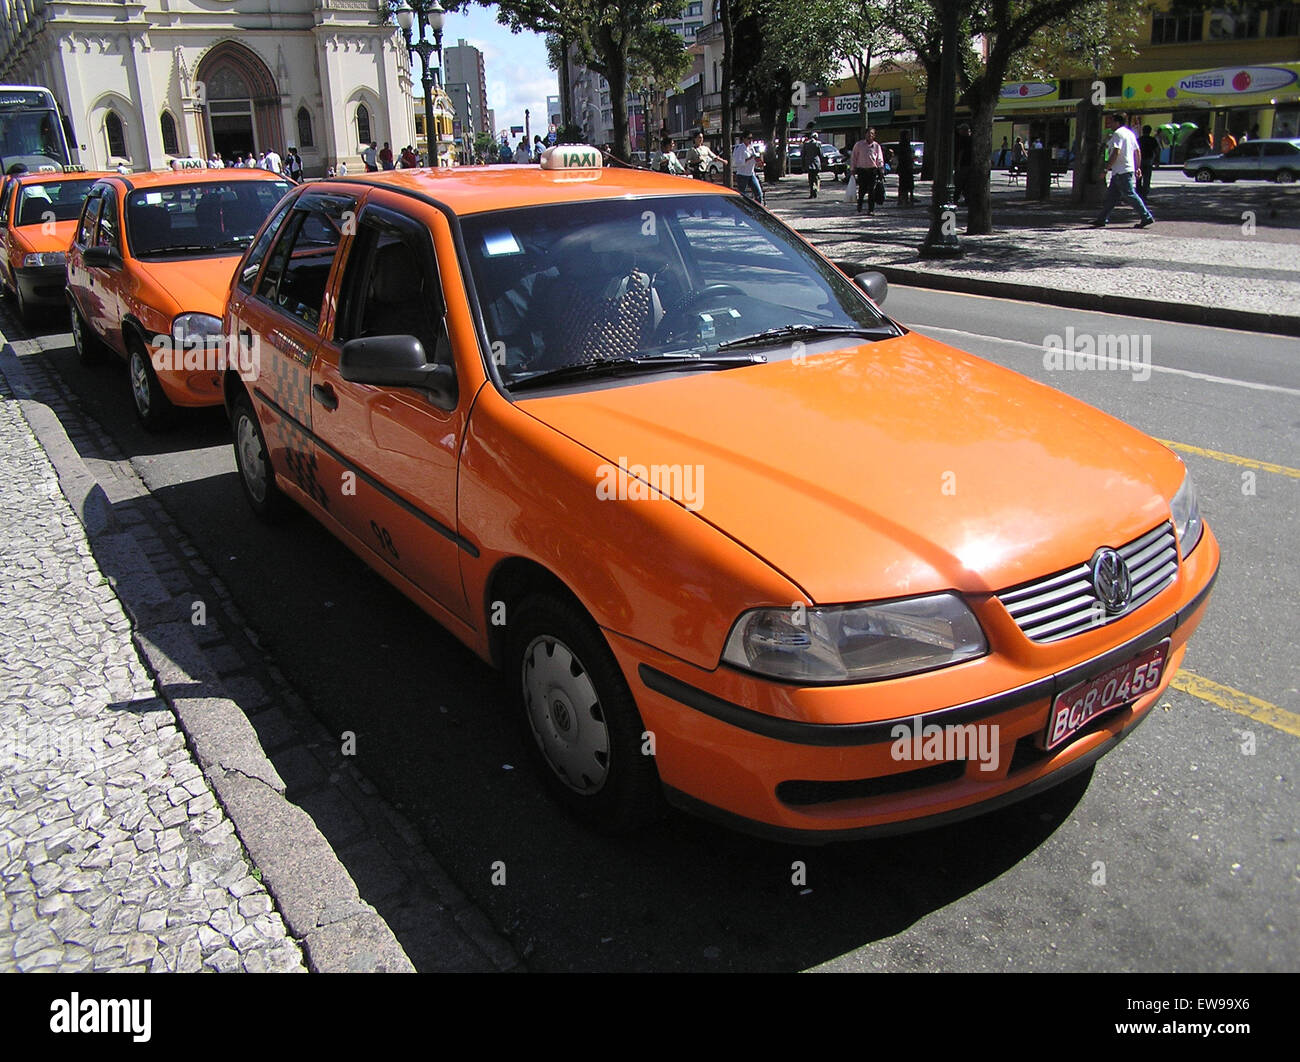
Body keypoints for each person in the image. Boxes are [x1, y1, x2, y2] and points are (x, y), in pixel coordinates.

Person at [1091, 110, 1154, 229]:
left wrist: (1106, 169)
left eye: (1111, 121)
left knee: (1129, 194)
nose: (1109, 124)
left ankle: (1146, 216)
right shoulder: (1130, 134)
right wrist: (1137, 167)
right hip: (1123, 170)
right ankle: (1102, 219)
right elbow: (1137, 151)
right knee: (1111, 197)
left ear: (1117, 122)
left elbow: (1116, 152)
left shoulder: (1118, 134)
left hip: (1121, 170)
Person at [850, 127, 884, 214]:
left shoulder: (876, 146)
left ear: (874, 135)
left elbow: (879, 159)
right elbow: (854, 157)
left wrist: (881, 170)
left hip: (872, 170)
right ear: (865, 134)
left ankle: (871, 210)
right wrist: (853, 169)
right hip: (862, 170)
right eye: (868, 133)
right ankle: (859, 206)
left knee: (871, 191)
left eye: (872, 133)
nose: (870, 135)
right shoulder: (859, 145)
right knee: (861, 190)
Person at [731, 132, 764, 204]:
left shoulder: (751, 148)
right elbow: (737, 162)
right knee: (742, 195)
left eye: (751, 138)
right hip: (742, 174)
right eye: (748, 138)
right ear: (743, 139)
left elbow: (754, 159)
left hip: (751, 173)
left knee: (758, 193)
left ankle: (759, 209)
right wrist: (749, 159)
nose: (750, 140)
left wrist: (758, 162)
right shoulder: (739, 148)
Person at [895, 130, 916, 206]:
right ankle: (903, 199)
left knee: (909, 184)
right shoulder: (902, 146)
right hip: (904, 168)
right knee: (904, 184)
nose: (909, 137)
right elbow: (902, 157)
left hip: (908, 167)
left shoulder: (907, 145)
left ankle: (909, 198)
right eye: (907, 135)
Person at [1137, 124, 1158, 196]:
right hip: (1149, 159)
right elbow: (1156, 150)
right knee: (1147, 178)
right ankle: (1145, 193)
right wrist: (1157, 161)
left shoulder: (1139, 140)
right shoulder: (1152, 140)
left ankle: (1138, 191)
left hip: (1140, 160)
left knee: (1138, 178)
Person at [953, 125, 972, 203]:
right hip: (968, 164)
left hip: (963, 165)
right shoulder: (971, 139)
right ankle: (967, 199)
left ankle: (956, 198)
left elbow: (961, 152)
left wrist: (958, 164)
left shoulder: (962, 140)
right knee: (966, 183)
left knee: (959, 183)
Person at [803, 133, 823, 197]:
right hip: (816, 162)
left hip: (809, 163)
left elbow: (803, 155)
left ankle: (812, 191)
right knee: (816, 176)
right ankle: (816, 187)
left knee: (810, 178)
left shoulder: (806, 144)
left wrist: (803, 164)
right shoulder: (818, 143)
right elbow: (820, 154)